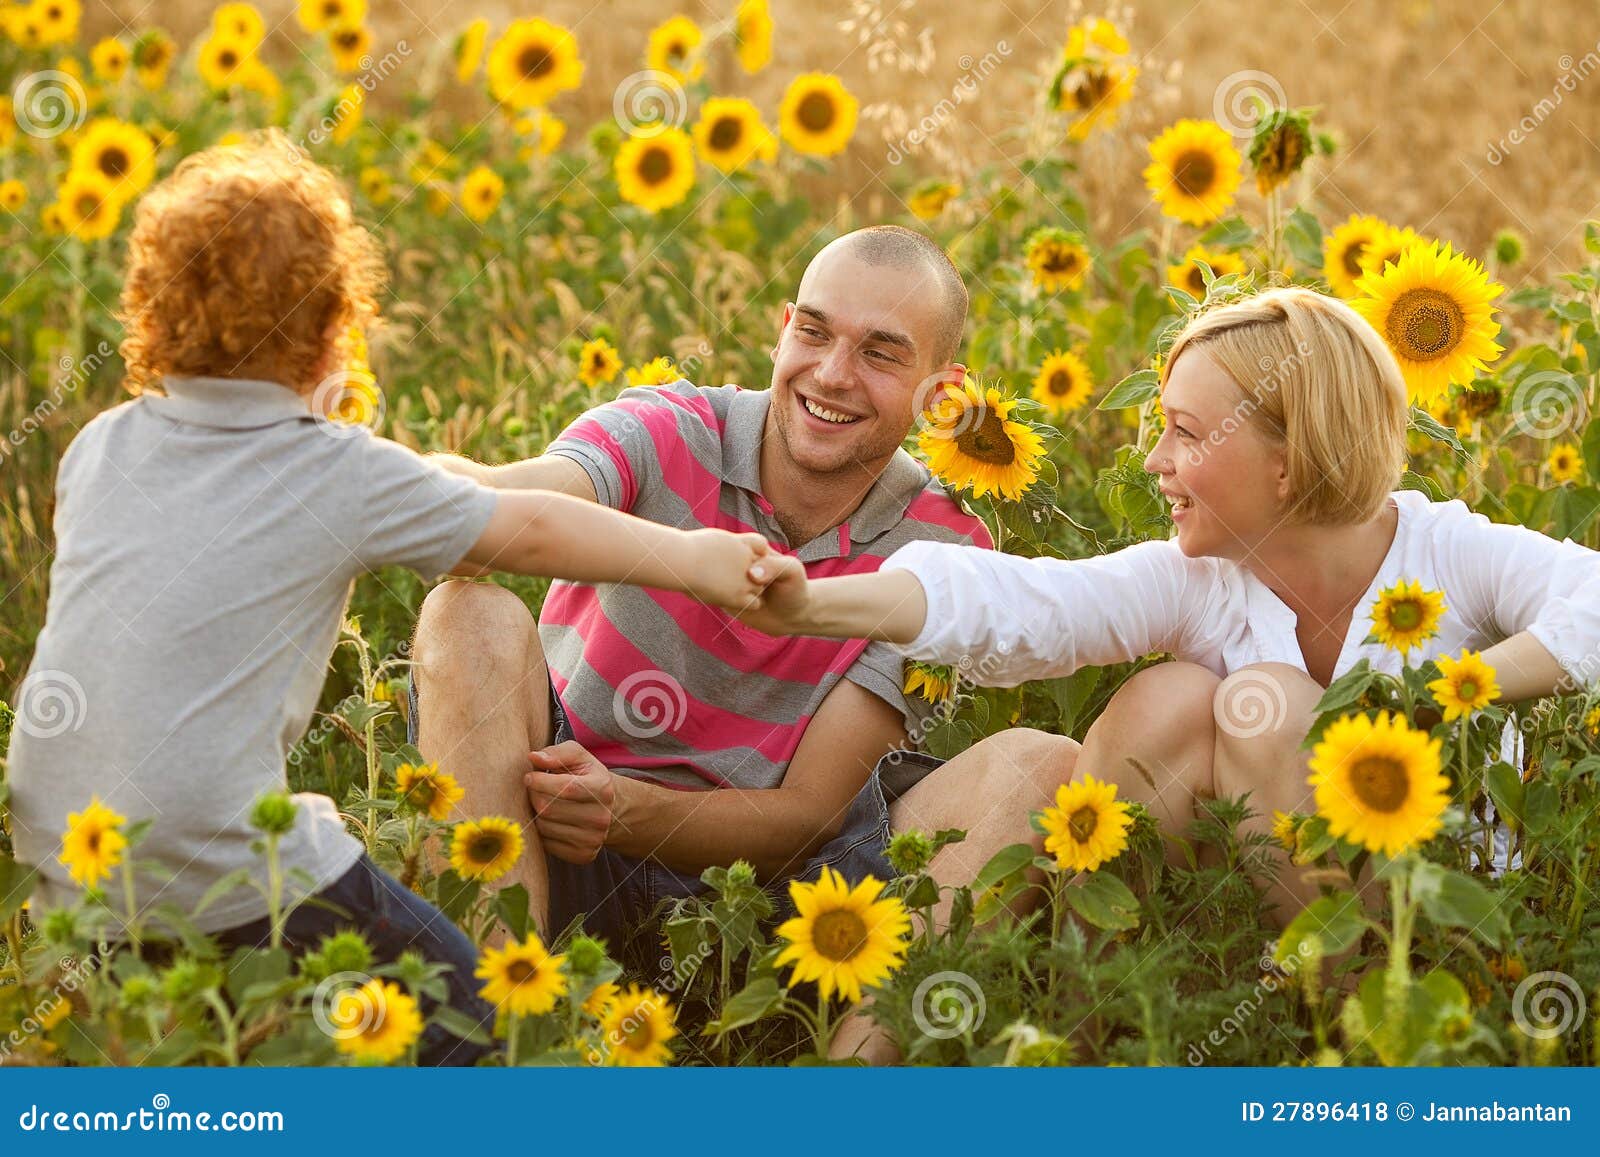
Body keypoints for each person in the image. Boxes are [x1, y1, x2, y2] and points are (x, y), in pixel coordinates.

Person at [6, 133, 775, 1066]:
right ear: (336, 324)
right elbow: (524, 528)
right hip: (227, 853)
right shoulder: (331, 467)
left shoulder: (101, 446)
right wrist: (691, 556)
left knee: (157, 1054)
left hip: (65, 853)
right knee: (473, 1027)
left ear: (151, 311)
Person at [741, 284, 1600, 938]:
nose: (1155, 459)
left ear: (1287, 462)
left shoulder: (1446, 551)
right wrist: (814, 602)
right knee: (1169, 699)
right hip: (1250, 926)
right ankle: (1102, 1021)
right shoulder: (1204, 576)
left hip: (1443, 930)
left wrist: (1462, 684)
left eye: (1186, 433)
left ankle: (1347, 1057)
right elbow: (1022, 603)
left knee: (1271, 707)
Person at [412, 226, 1053, 983]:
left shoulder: (943, 551)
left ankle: (843, 1080)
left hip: (765, 906)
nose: (833, 374)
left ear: (942, 394)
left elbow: (810, 812)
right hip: (554, 841)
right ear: (783, 331)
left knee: (1038, 763)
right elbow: (488, 509)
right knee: (467, 612)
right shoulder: (667, 430)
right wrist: (392, 480)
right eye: (813, 332)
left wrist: (627, 808)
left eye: (880, 353)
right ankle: (495, 1023)